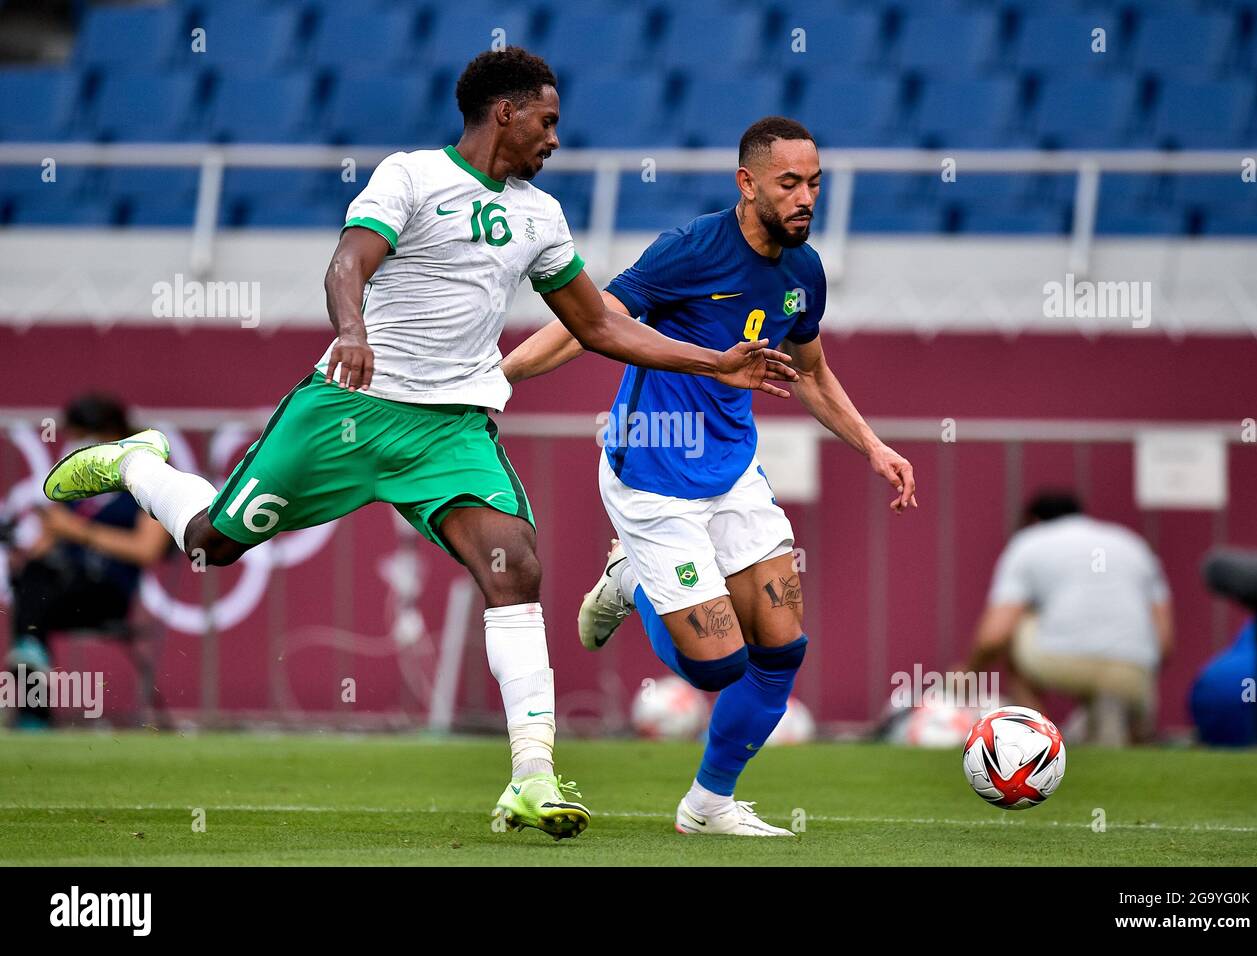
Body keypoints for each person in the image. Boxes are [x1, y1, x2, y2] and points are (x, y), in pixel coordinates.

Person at [41, 48, 797, 839]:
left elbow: (598, 324)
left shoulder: (540, 214)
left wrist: (714, 361)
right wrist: (352, 329)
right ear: (504, 113)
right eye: (547, 122)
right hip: (348, 410)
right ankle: (136, 462)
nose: (555, 139)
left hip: (450, 431)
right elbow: (348, 261)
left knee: (515, 566)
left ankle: (532, 778)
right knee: (211, 542)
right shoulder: (410, 176)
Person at [503, 116, 918, 835]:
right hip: (652, 473)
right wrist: (498, 377)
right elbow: (588, 323)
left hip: (732, 473)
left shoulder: (804, 271)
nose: (805, 198)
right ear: (747, 184)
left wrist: (872, 446)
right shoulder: (691, 250)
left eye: (814, 183)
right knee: (716, 667)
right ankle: (630, 580)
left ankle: (707, 806)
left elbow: (811, 371)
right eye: (789, 183)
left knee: (782, 649)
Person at [6, 395, 171, 728]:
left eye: (82, 436)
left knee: (32, 607)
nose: (76, 445)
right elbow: (43, 545)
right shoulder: (79, 480)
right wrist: (25, 546)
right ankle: (30, 671)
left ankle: (32, 711)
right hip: (59, 588)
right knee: (32, 581)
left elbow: (147, 549)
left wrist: (80, 532)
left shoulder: (150, 475)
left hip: (106, 593)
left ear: (109, 434)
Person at [964, 491, 1174, 746]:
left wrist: (968, 674)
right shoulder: (1132, 544)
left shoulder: (1028, 542)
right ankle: (1118, 718)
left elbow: (995, 636)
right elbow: (1164, 641)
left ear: (1034, 521)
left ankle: (1036, 742)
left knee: (1018, 626)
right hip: (1134, 669)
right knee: (1114, 662)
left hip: (1064, 663)